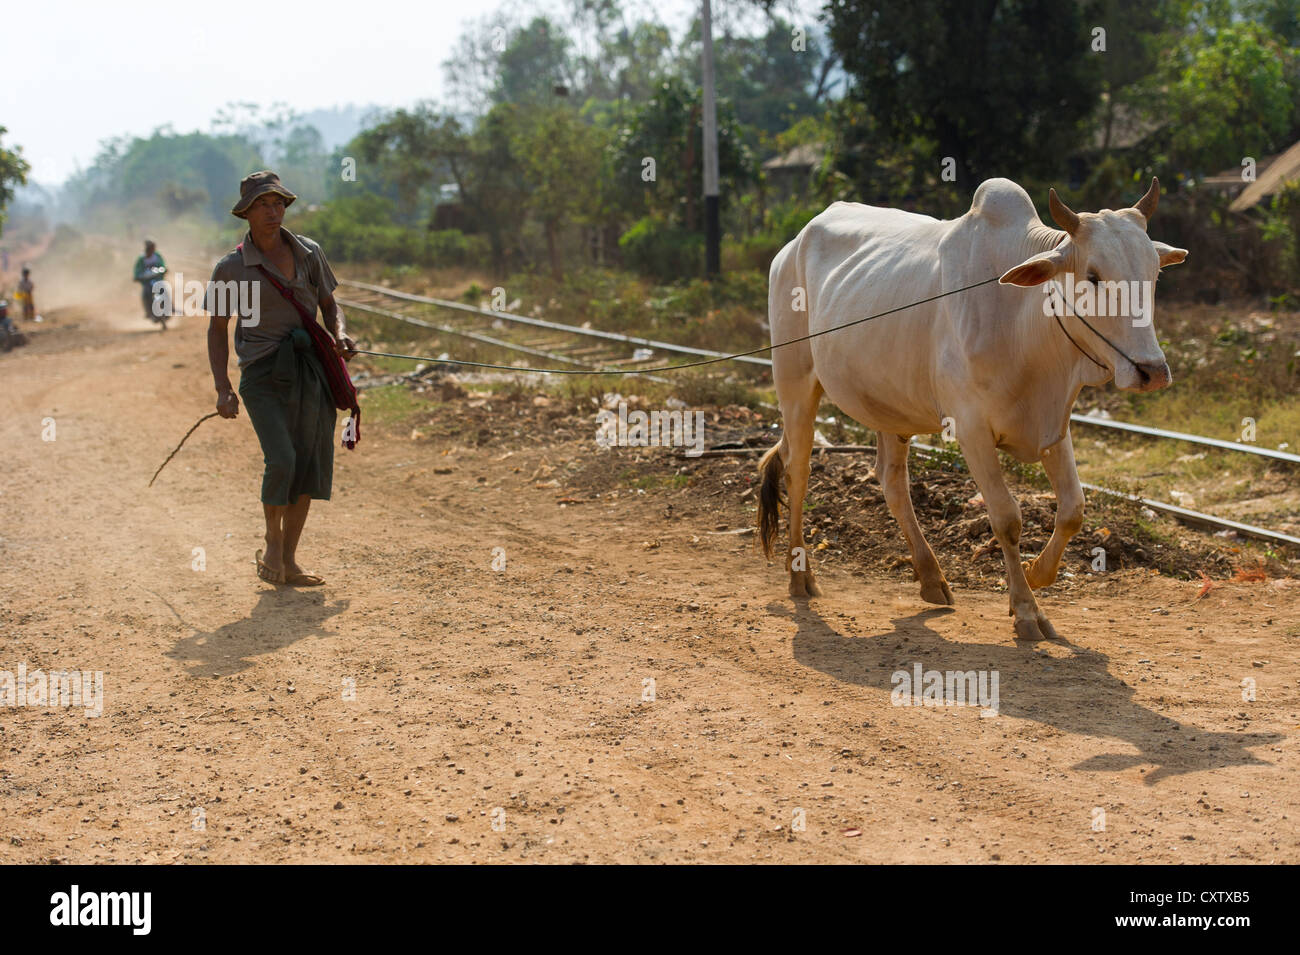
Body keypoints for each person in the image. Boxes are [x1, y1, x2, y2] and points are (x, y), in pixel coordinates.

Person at [206, 171, 356, 587]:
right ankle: (272, 540)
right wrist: (223, 388)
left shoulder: (309, 253)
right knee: (283, 459)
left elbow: (330, 305)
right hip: (262, 374)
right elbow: (217, 330)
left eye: (278, 204)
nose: (273, 212)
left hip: (312, 371)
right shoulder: (230, 268)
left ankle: (288, 560)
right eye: (262, 205)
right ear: (246, 214)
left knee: (308, 464)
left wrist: (339, 335)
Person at [133, 240, 170, 326]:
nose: (152, 249)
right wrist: (137, 276)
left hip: (157, 280)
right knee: (145, 294)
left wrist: (164, 270)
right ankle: (148, 311)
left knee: (165, 291)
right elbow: (137, 271)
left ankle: (169, 307)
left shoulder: (157, 256)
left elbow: (162, 265)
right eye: (150, 247)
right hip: (147, 282)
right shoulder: (141, 259)